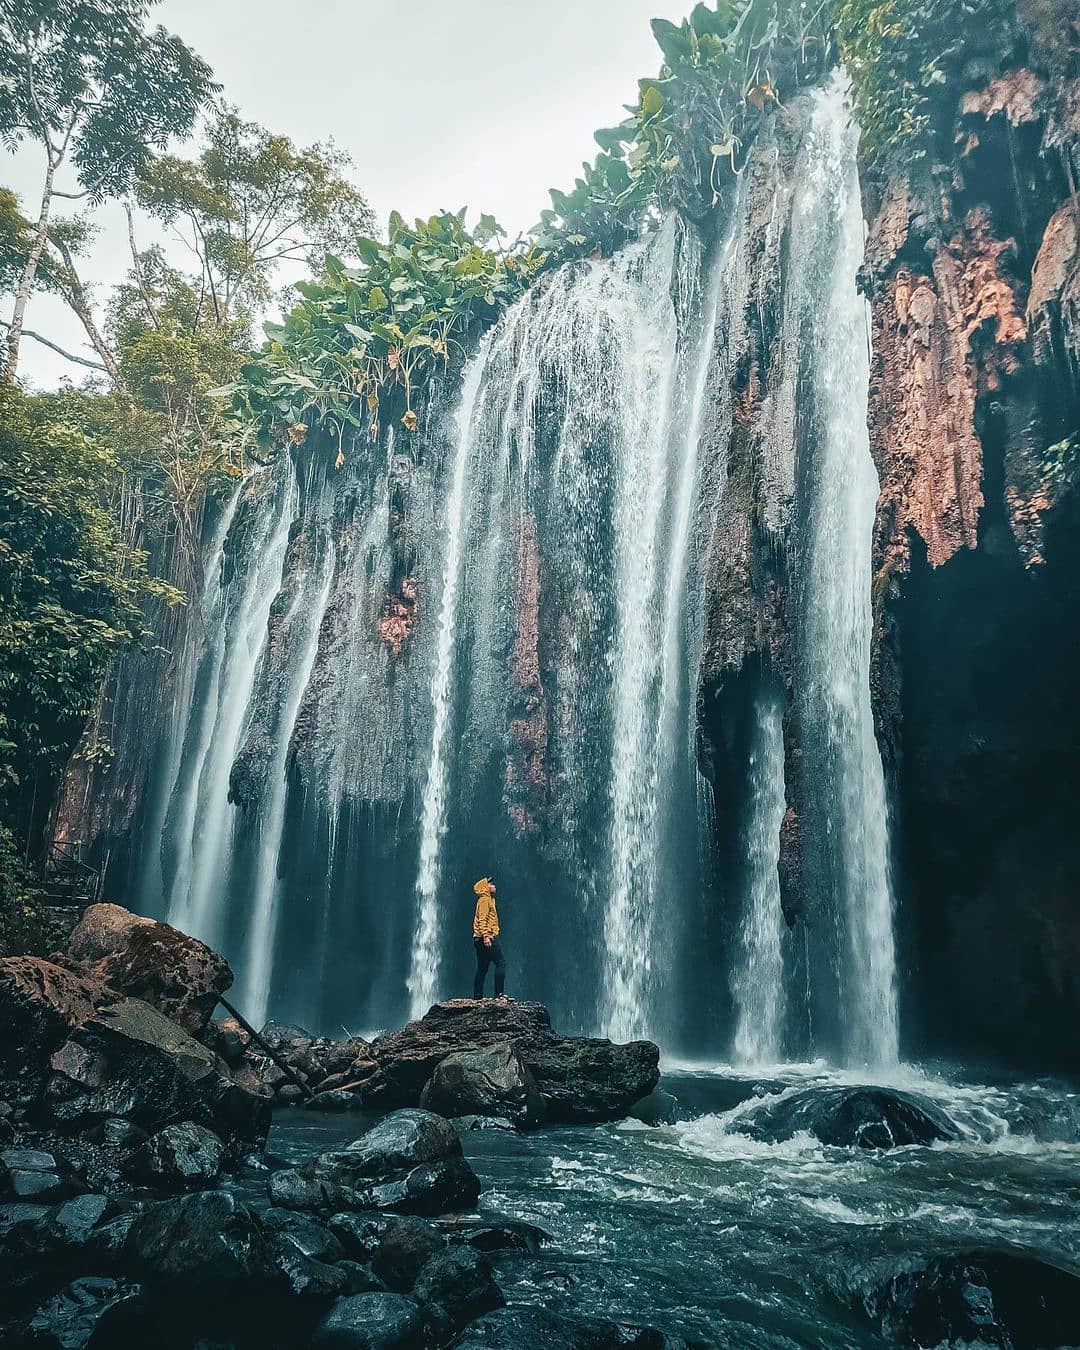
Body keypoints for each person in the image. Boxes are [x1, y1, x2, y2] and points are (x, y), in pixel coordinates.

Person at [472, 876, 507, 999]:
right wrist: (486, 937)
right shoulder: (485, 900)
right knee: (500, 963)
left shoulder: (488, 900)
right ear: (485, 887)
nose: (494, 886)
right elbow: (482, 919)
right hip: (486, 938)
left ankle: (477, 997)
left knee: (482, 968)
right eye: (491, 884)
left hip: (479, 938)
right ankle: (499, 994)